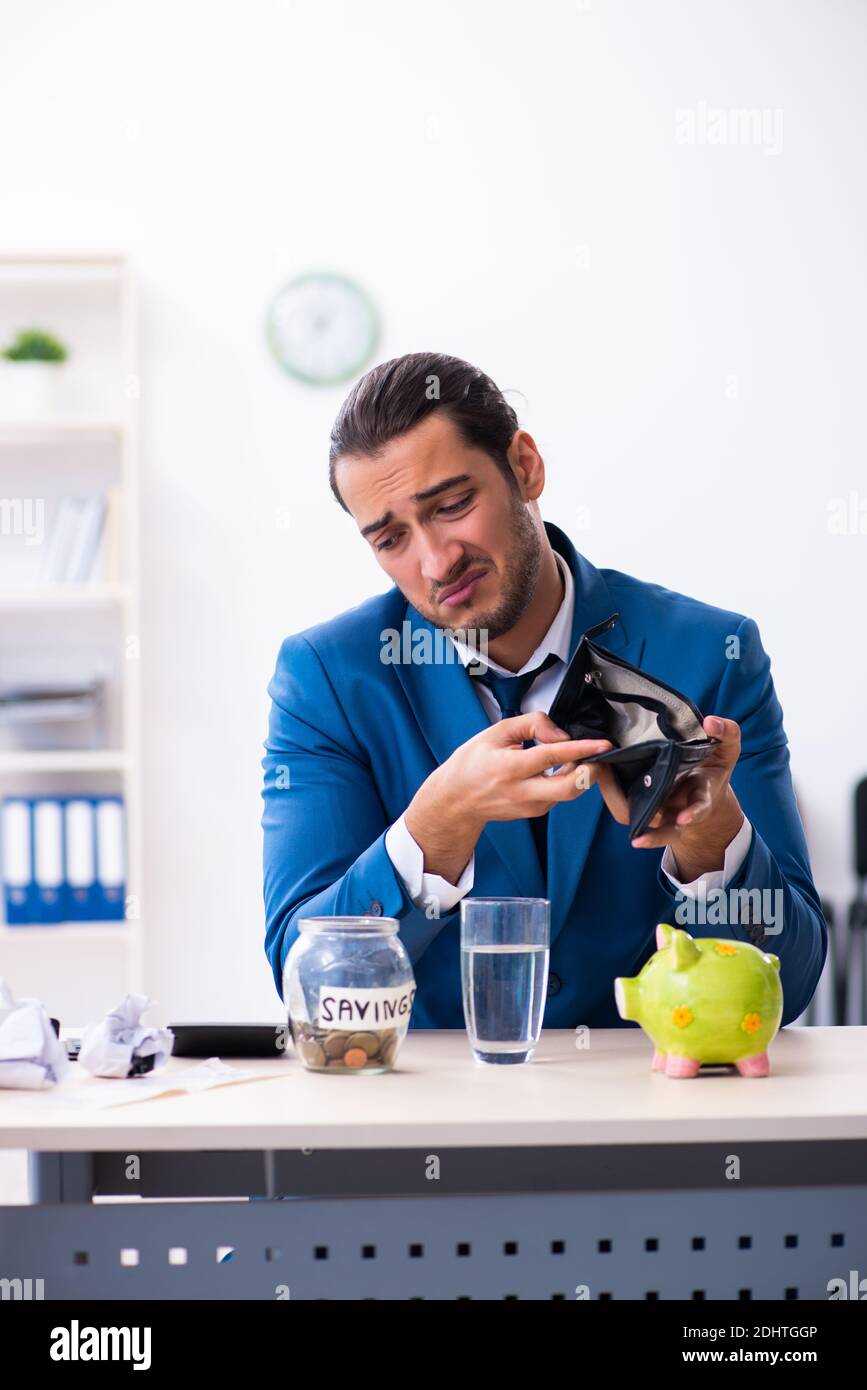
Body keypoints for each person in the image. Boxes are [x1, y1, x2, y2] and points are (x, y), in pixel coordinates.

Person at [261, 352, 826, 1028]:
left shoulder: (711, 654)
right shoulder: (327, 677)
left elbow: (788, 988)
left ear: (523, 466)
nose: (436, 562)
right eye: (390, 539)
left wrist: (710, 838)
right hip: (426, 1119)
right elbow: (308, 985)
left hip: (653, 1110)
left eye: (451, 505)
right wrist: (434, 827)